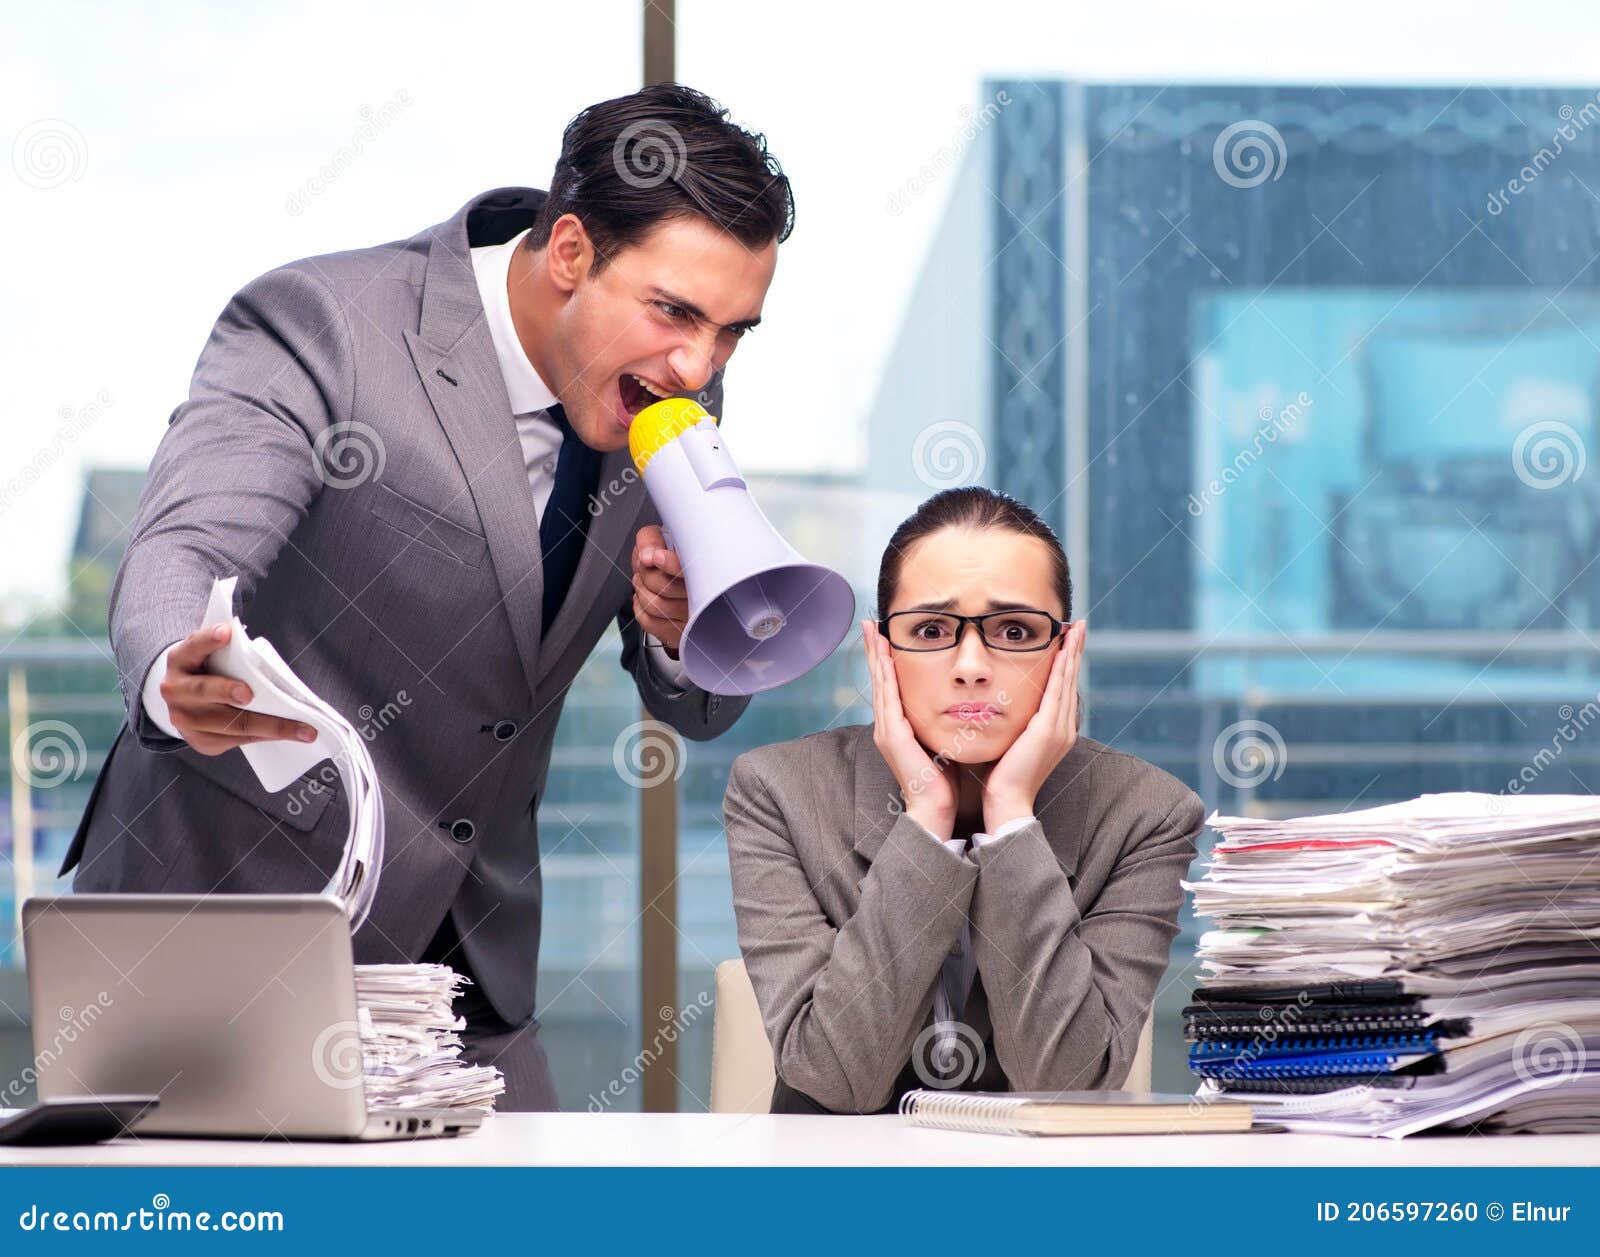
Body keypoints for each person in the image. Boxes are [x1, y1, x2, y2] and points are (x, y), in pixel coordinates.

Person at [62, 83, 793, 1110]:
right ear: (572, 252)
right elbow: (182, 546)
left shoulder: (673, 386)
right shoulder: (328, 323)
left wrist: (679, 636)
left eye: (731, 332)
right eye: (674, 311)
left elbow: (697, 706)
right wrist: (176, 669)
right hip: (230, 933)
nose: (698, 364)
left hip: (466, 982)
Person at [723, 486, 1205, 1114]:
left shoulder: (1148, 814)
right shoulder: (779, 792)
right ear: (881, 652)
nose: (972, 665)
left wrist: (1011, 818)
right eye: (930, 629)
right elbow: (837, 1079)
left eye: (1014, 630)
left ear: (1065, 650)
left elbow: (1066, 1084)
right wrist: (926, 817)